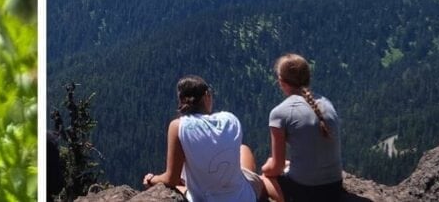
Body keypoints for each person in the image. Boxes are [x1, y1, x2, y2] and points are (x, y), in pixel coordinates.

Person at [142, 75, 271, 202]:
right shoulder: (230, 119)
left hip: (205, 198)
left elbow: (172, 179)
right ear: (207, 95)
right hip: (245, 197)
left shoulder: (178, 126)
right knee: (243, 149)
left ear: (181, 100)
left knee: (181, 185)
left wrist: (152, 179)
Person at [261, 54, 343, 202]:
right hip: (335, 188)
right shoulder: (326, 103)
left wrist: (265, 168)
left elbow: (277, 167)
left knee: (262, 179)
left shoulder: (280, 113)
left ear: (281, 81)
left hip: (306, 192)